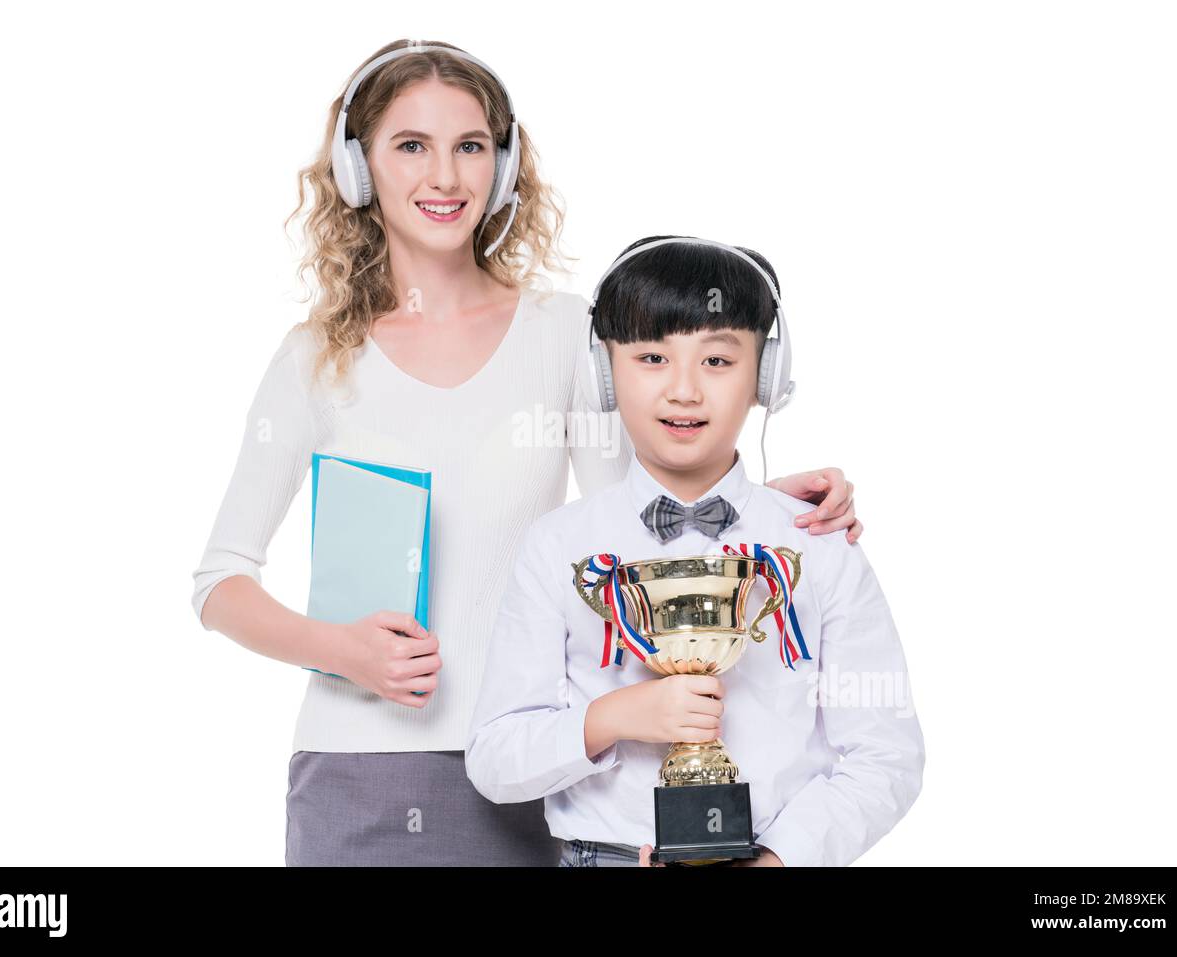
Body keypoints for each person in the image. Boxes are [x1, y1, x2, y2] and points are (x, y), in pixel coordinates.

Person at [191, 39, 864, 867]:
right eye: (412, 147)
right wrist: (341, 649)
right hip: (353, 768)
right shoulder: (315, 356)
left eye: (470, 147)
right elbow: (219, 580)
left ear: (503, 167)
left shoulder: (559, 334)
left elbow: (637, 523)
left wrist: (770, 508)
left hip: (529, 768)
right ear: (360, 168)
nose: (445, 177)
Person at [465, 236, 925, 866]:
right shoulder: (558, 547)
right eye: (652, 358)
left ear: (766, 375)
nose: (683, 390)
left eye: (717, 361)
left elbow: (886, 754)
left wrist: (780, 858)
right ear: (604, 373)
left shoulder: (815, 542)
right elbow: (495, 758)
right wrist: (614, 716)